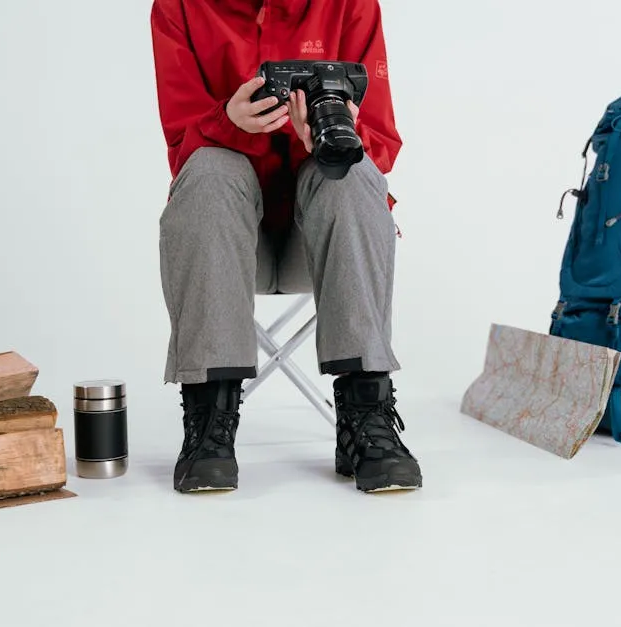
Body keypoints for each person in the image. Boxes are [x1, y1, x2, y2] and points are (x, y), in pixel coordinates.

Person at [149, 0, 422, 494]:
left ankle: (366, 416)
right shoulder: (179, 8)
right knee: (209, 173)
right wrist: (229, 121)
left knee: (353, 175)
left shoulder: (350, 6)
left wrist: (324, 135)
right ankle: (208, 423)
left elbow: (381, 142)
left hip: (322, 243)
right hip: (225, 243)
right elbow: (181, 142)